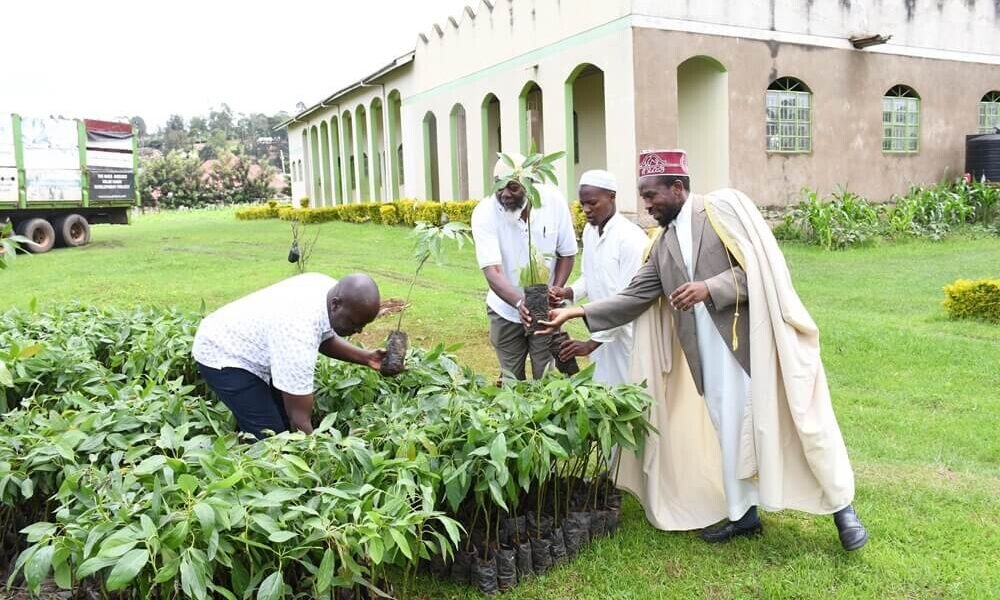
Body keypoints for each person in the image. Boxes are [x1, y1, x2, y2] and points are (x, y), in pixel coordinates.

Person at [539, 150, 868, 551]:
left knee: (801, 423)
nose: (646, 205)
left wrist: (710, 288)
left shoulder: (722, 213)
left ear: (677, 188)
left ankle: (843, 510)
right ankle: (743, 516)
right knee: (729, 433)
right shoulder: (662, 245)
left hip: (756, 349)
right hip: (709, 362)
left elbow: (765, 273)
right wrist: (576, 311)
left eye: (651, 195)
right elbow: (635, 297)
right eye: (643, 196)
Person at [193, 272, 385, 439]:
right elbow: (299, 419)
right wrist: (317, 463)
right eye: (354, 322)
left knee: (283, 421)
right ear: (335, 305)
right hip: (223, 352)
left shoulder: (326, 289)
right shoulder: (298, 333)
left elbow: (324, 336)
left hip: (254, 341)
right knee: (270, 438)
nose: (359, 330)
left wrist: (367, 358)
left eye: (364, 325)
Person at [471, 153, 577, 380]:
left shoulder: (553, 202)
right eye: (499, 187)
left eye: (513, 188)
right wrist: (520, 302)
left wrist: (556, 290)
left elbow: (566, 254)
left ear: (529, 184)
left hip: (545, 310)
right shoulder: (484, 212)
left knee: (546, 377)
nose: (505, 194)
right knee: (511, 379)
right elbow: (493, 271)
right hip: (504, 310)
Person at [547, 169, 649, 385]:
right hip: (600, 330)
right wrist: (567, 292)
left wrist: (590, 344)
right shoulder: (590, 232)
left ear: (611, 197)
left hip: (627, 337)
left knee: (630, 398)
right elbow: (589, 276)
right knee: (603, 397)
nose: (586, 209)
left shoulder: (630, 239)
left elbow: (627, 301)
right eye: (583, 203)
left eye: (592, 203)